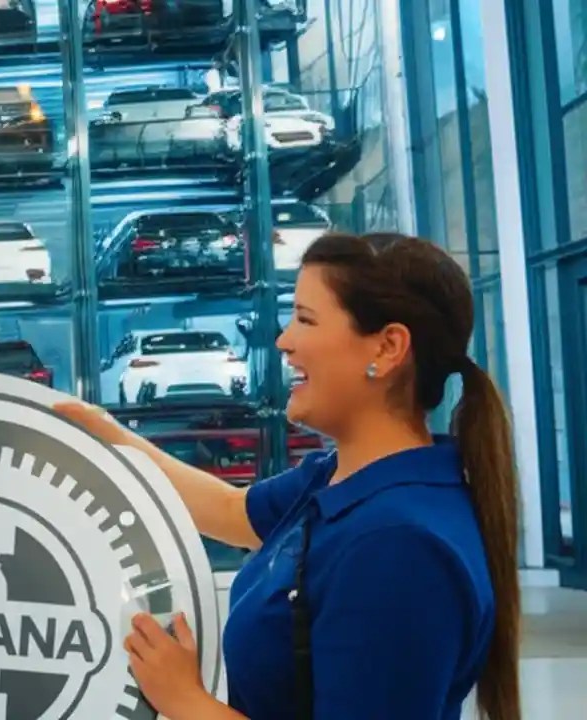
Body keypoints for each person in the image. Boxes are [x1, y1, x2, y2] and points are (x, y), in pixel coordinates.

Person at [56, 232, 520, 720]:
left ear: (387, 348)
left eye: (305, 319)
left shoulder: (398, 547)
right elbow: (232, 510)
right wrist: (113, 441)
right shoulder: (337, 481)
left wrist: (187, 702)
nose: (284, 340)